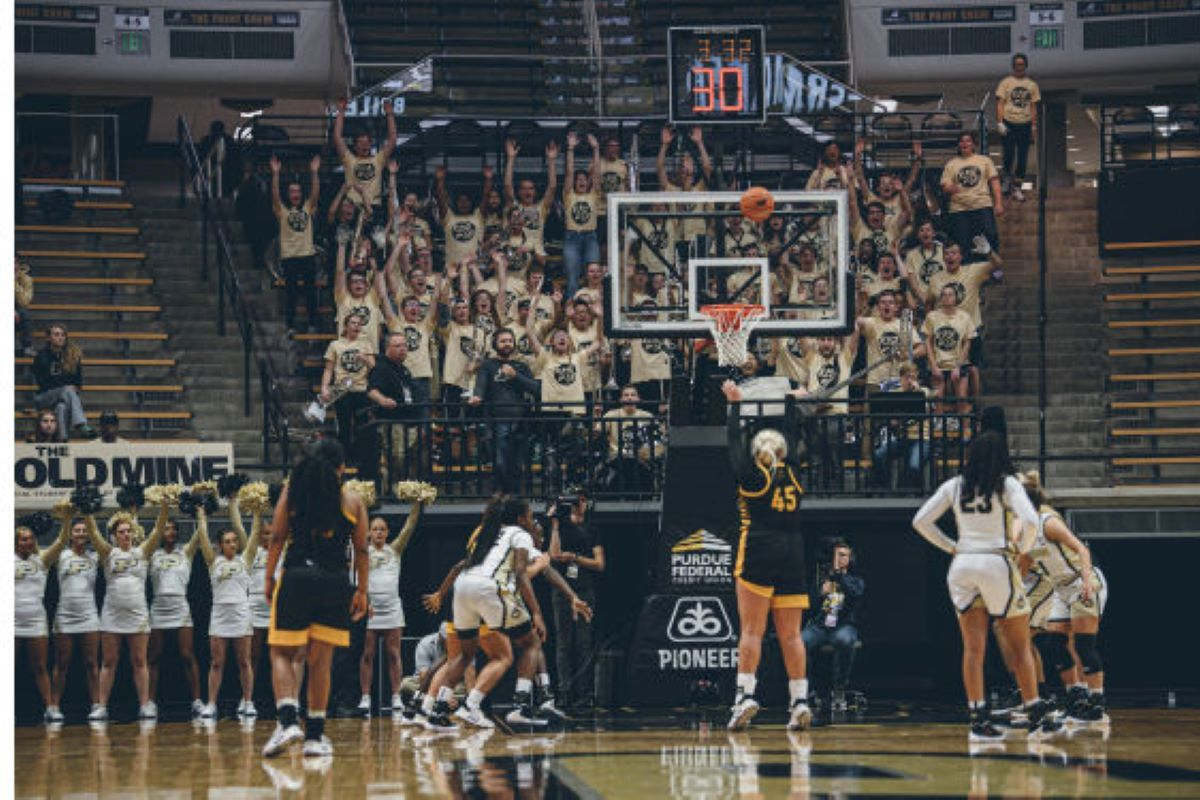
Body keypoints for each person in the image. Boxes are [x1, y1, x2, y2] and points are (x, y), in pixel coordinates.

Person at [911, 431, 1064, 742]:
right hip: (996, 561)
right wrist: (1022, 547)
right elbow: (1032, 519)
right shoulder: (1006, 484)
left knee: (972, 648)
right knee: (1020, 645)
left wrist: (951, 546)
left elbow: (920, 521)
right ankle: (1035, 714)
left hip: (963, 564)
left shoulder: (954, 485)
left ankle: (978, 720)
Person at [262, 439, 370, 759]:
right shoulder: (352, 501)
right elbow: (362, 551)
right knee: (320, 661)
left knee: (281, 653)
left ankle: (286, 720)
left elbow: (278, 537)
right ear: (341, 469)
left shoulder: (293, 492)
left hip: (297, 577)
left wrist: (268, 576)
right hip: (335, 582)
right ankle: (315, 737)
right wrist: (362, 591)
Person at [720, 382, 813, 731]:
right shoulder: (793, 472)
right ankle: (800, 699)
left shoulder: (753, 476)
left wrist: (734, 408)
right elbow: (796, 437)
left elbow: (733, 447)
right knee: (792, 634)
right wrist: (792, 406)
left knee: (752, 631)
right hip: (793, 549)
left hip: (759, 545)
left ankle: (744, 695)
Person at [1018, 471, 1110, 724]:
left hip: (1083, 582)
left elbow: (1081, 548)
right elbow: (1023, 564)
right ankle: (1076, 698)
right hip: (1060, 588)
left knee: (1083, 645)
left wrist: (1088, 581)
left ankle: (1097, 705)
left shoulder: (1048, 522)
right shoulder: (1025, 531)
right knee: (1053, 644)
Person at [87, 510, 164, 722]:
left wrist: (165, 504)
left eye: (129, 531)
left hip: (137, 614)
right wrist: (87, 511)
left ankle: (144, 705)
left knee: (139, 661)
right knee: (109, 661)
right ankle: (102, 706)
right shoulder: (108, 553)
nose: (126, 534)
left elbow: (158, 530)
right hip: (112, 614)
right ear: (114, 535)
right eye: (121, 531)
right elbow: (93, 532)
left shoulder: (142, 552)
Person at [356, 501, 426, 718]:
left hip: (393, 608)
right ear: (368, 532)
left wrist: (417, 502)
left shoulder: (395, 550)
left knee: (393, 654)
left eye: (382, 529)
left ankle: (396, 696)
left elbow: (410, 526)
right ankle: (365, 697)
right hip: (371, 608)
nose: (378, 532)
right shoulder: (362, 552)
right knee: (367, 654)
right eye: (375, 529)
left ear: (387, 533)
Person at [197, 508, 257, 720]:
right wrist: (202, 517)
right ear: (220, 545)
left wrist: (256, 512)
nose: (232, 544)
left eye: (234, 541)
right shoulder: (213, 562)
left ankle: (248, 702)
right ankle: (211, 703)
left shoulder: (245, 560)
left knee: (244, 661)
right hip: (220, 615)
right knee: (216, 662)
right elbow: (203, 538)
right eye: (227, 541)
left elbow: (252, 533)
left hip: (241, 614)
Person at [145, 505, 205, 718]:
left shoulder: (185, 552)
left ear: (177, 533)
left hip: (180, 606)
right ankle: (149, 702)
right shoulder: (152, 553)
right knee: (154, 656)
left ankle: (197, 701)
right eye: (165, 528)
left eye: (172, 529)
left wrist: (201, 513)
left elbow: (200, 535)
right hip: (159, 607)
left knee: (188, 655)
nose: (168, 532)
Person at [548, 494, 604, 711]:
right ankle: (564, 692)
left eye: (581, 500)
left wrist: (575, 558)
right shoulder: (560, 526)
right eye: (574, 500)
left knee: (583, 641)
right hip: (563, 590)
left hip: (585, 587)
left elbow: (599, 563)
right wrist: (554, 525)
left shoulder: (592, 529)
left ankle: (585, 693)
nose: (578, 504)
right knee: (563, 642)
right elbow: (553, 555)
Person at [469, 328, 539, 493]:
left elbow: (536, 389)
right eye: (503, 341)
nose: (507, 344)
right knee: (500, 462)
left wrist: (516, 376)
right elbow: (481, 385)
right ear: (495, 344)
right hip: (497, 421)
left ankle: (514, 497)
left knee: (517, 464)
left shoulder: (521, 366)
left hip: (520, 422)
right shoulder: (488, 365)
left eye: (509, 340)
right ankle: (503, 496)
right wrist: (477, 397)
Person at [801, 540, 864, 711]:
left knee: (844, 640)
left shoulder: (854, 579)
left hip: (843, 625)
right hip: (821, 626)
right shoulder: (821, 578)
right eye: (838, 555)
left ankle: (839, 689)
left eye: (845, 555)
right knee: (799, 642)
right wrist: (820, 593)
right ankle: (806, 691)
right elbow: (808, 605)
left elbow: (856, 592)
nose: (842, 559)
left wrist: (839, 577)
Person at [49, 516, 101, 721]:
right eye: (77, 530)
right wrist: (65, 521)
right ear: (70, 534)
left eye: (84, 530)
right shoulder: (61, 556)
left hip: (88, 614)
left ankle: (96, 705)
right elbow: (59, 541)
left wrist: (91, 522)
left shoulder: (95, 557)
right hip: (65, 614)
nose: (81, 533)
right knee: (61, 663)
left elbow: (100, 540)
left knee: (91, 662)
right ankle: (53, 706)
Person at [16, 523, 68, 722]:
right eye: (23, 539)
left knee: (40, 667)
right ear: (15, 542)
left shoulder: (42, 560)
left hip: (36, 620)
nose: (28, 542)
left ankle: (50, 707)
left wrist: (67, 519)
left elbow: (61, 541)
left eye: (30, 538)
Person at [270, 154, 322, 334]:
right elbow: (275, 196)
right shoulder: (282, 211)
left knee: (310, 292)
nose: (295, 194)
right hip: (289, 257)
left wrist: (314, 172)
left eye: (298, 191)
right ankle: (290, 326)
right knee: (291, 293)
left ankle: (313, 324)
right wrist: (275, 174)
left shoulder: (308, 207)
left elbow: (315, 194)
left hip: (307, 255)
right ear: (288, 193)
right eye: (292, 191)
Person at [321, 313, 377, 467]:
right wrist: (325, 387)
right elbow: (328, 370)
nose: (356, 326)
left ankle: (361, 460)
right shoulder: (335, 344)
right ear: (345, 326)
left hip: (361, 389)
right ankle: (344, 460)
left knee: (362, 427)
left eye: (359, 323)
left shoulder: (366, 344)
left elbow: (374, 367)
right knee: (344, 427)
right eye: (353, 323)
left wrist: (365, 359)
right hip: (341, 390)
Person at [332, 98, 397, 223]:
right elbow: (337, 138)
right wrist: (341, 112)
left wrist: (389, 114)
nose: (365, 146)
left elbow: (392, 140)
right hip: (352, 207)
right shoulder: (349, 159)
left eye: (367, 143)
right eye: (361, 143)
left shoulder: (377, 159)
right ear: (355, 146)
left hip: (374, 206)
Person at [940, 132, 1004, 255]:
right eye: (962, 141)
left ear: (973, 145)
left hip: (982, 205)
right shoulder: (951, 164)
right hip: (959, 208)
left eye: (968, 141)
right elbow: (945, 185)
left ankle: (993, 267)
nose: (965, 143)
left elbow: (995, 182)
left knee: (990, 235)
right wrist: (950, 188)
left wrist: (999, 203)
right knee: (962, 242)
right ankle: (967, 269)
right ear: (958, 145)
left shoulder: (985, 160)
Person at [364, 331, 415, 481]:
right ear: (388, 348)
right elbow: (371, 391)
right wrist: (383, 400)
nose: (403, 349)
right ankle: (392, 489)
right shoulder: (381, 368)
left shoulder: (404, 370)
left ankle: (404, 487)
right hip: (391, 421)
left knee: (407, 456)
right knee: (396, 456)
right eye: (398, 346)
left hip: (407, 420)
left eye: (405, 345)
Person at [33, 323, 95, 439]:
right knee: (67, 390)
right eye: (56, 334)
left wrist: (68, 386)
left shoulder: (72, 355)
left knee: (61, 407)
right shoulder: (41, 357)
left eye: (63, 335)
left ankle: (63, 439)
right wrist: (65, 385)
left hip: (65, 397)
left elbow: (78, 382)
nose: (60, 337)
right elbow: (44, 382)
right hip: (44, 397)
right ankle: (80, 424)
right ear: (49, 338)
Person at [598, 385, 665, 492]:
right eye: (626, 395)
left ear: (638, 399)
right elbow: (596, 432)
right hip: (617, 458)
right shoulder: (611, 414)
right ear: (620, 399)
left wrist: (664, 415)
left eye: (633, 395)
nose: (629, 398)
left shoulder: (647, 416)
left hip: (641, 459)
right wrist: (596, 414)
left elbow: (660, 439)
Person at [562, 131, 603, 298]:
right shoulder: (568, 195)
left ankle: (596, 308)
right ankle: (572, 309)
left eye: (584, 178)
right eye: (578, 179)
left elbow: (597, 174)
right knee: (572, 278)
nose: (581, 181)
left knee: (594, 276)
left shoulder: (593, 195)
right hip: (572, 237)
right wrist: (570, 149)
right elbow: (569, 172)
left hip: (590, 236)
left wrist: (596, 149)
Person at [996, 54, 1040, 201]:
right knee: (1008, 154)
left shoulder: (1032, 85)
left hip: (1025, 123)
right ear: (1013, 66)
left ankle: (1017, 187)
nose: (1019, 67)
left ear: (1025, 66)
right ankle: (1007, 181)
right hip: (1009, 122)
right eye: (1016, 65)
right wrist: (1000, 122)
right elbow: (1000, 103)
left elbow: (1033, 107)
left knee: (1023, 157)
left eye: (1021, 65)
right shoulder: (1006, 83)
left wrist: (1034, 127)